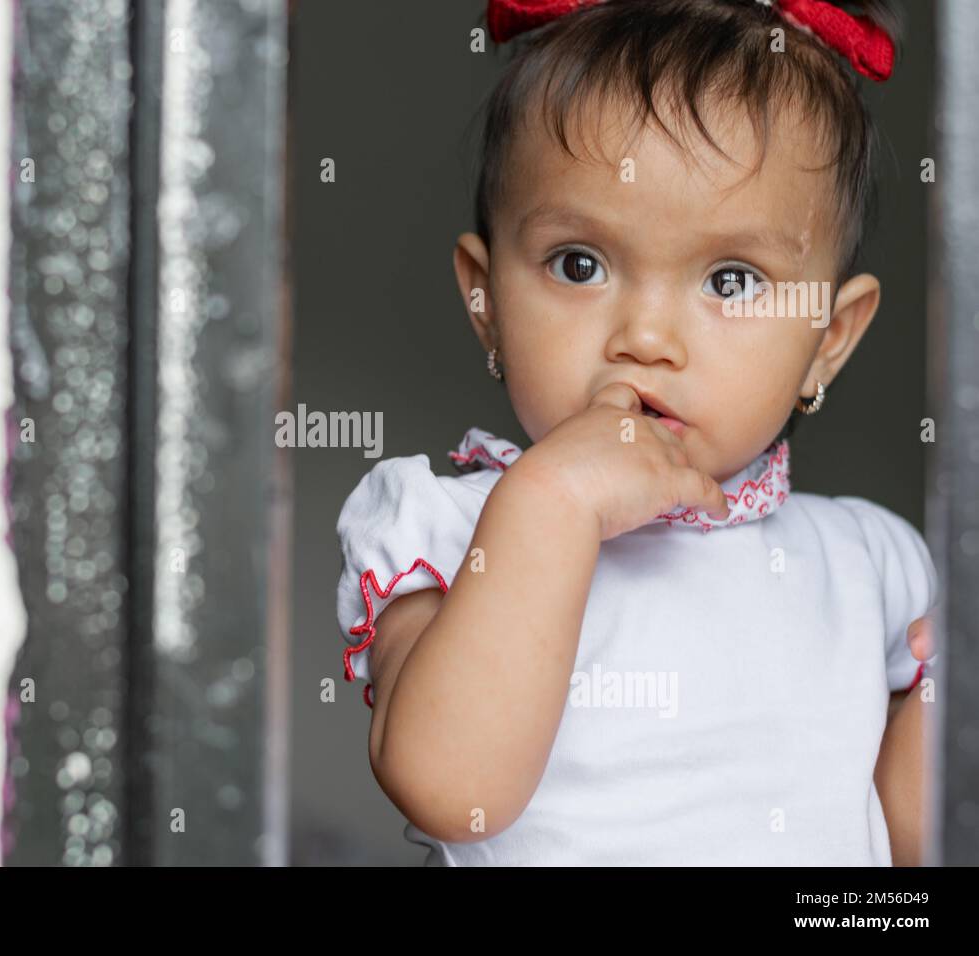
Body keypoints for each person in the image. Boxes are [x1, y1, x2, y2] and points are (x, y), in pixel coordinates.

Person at [333, 0, 939, 865]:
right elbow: (450, 790)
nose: (646, 338)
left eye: (731, 280)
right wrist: (552, 501)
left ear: (827, 341)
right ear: (486, 299)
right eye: (579, 263)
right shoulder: (445, 528)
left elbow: (907, 846)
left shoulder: (872, 562)